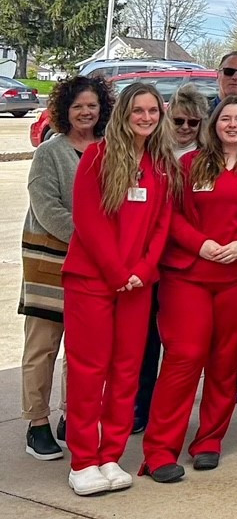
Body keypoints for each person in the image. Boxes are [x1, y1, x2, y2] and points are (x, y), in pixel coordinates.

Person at [141, 96, 237, 482]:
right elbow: (168, 213)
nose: (233, 124)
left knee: (225, 362)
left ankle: (209, 441)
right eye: (226, 118)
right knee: (184, 356)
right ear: (214, 124)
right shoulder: (187, 165)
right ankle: (159, 450)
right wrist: (200, 244)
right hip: (189, 275)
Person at [61, 82, 177, 495]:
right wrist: (117, 272)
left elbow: (161, 226)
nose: (146, 118)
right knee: (89, 371)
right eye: (138, 111)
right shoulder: (97, 157)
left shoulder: (161, 165)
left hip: (137, 284)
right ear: (123, 115)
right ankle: (83, 460)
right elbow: (88, 221)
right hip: (94, 282)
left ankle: (110, 454)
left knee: (127, 372)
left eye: (153, 111)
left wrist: (143, 271)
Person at [19, 75, 112, 462]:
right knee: (42, 347)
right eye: (78, 107)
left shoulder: (110, 150)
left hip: (93, 268)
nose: (86, 112)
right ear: (64, 111)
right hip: (50, 263)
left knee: (82, 351)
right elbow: (46, 208)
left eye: (92, 105)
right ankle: (36, 423)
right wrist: (94, 238)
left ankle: (72, 417)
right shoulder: (50, 153)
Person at [135, 84, 209, 436]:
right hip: (149, 258)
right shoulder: (152, 153)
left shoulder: (206, 157)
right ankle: (142, 404)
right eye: (178, 120)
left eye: (192, 123)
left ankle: (172, 410)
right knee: (145, 338)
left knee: (180, 344)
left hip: (186, 261)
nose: (184, 128)